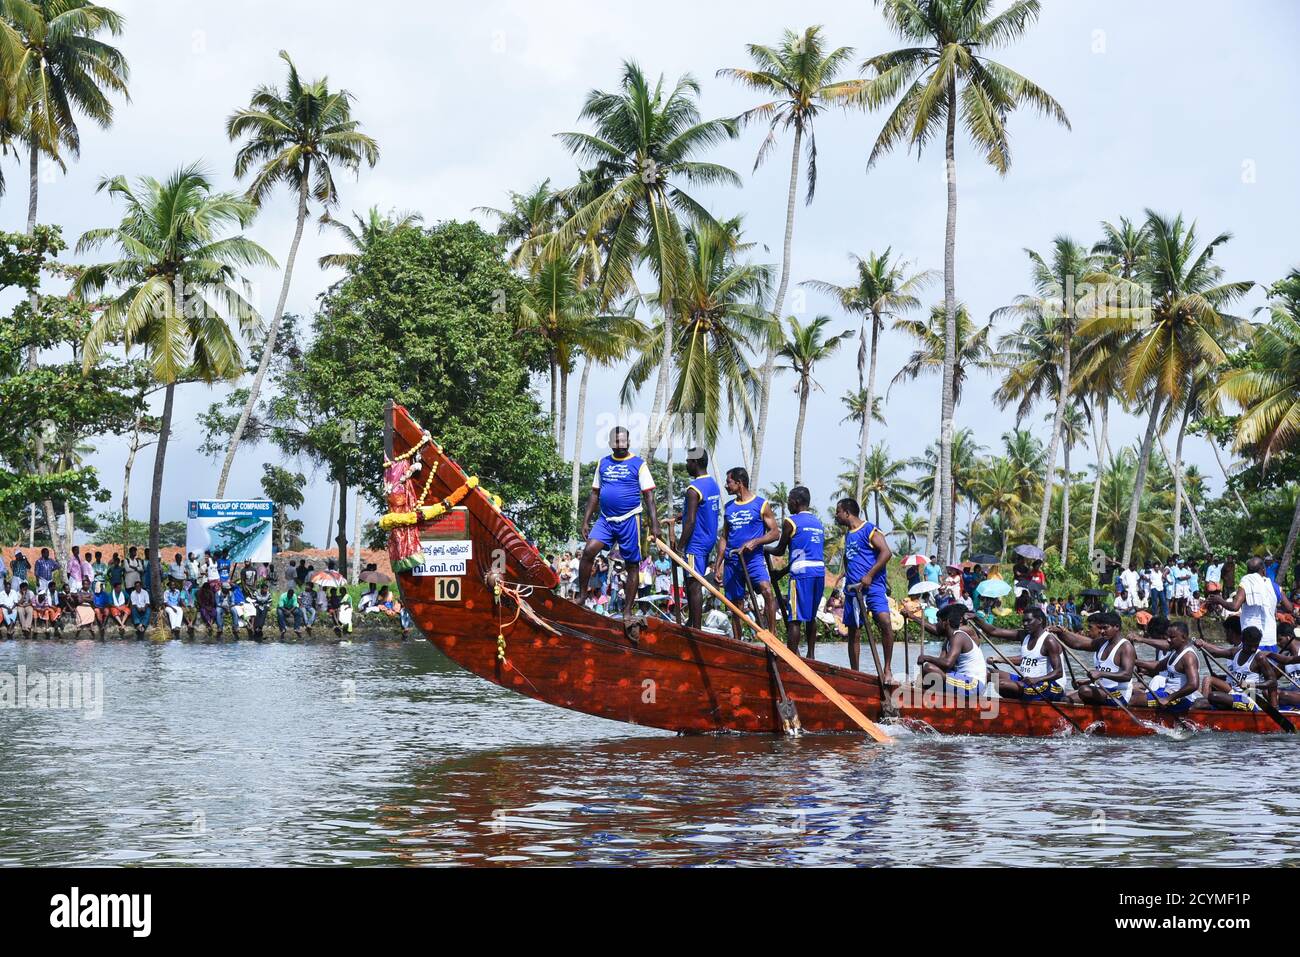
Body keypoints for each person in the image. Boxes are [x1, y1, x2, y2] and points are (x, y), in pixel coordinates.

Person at [576, 426, 661, 639]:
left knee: (632, 565)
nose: (620, 444)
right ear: (611, 443)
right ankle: (582, 595)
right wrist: (586, 520)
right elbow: (595, 494)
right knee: (588, 552)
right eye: (616, 441)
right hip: (605, 519)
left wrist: (655, 523)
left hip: (629, 518)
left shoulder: (638, 464)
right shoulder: (603, 463)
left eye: (623, 441)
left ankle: (627, 610)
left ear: (628, 442)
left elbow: (649, 497)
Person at [714, 467, 780, 643]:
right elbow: (724, 537)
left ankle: (772, 636)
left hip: (753, 560)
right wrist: (718, 564)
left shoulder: (761, 505)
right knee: (736, 605)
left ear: (739, 483)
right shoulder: (728, 507)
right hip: (733, 561)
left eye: (729, 482)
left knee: (767, 591)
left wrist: (755, 542)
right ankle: (738, 640)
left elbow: (775, 533)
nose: (726, 486)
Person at [834, 497, 894, 677]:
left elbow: (886, 552)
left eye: (838, 512)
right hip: (853, 589)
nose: (836, 516)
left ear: (847, 512)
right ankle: (855, 673)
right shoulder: (848, 534)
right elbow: (849, 558)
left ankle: (887, 668)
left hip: (873, 586)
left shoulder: (869, 529)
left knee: (885, 621)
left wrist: (869, 575)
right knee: (854, 631)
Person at [769, 485, 825, 659]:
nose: (788, 504)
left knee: (794, 618)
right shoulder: (817, 522)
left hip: (801, 577)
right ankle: (811, 656)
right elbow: (804, 556)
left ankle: (790, 658)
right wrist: (781, 573)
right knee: (811, 616)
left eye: (789, 501)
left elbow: (779, 550)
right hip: (819, 573)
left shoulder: (791, 521)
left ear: (796, 502)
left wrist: (762, 548)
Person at [971, 605, 1067, 701]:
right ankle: (975, 703)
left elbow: (1059, 672)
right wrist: (975, 618)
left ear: (1040, 620)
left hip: (1051, 686)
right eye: (1024, 621)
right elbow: (993, 631)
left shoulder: (1049, 640)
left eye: (1028, 621)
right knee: (985, 673)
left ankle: (1017, 704)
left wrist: (1036, 679)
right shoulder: (1024, 635)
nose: (1025, 624)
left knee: (1001, 684)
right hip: (1027, 681)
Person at [676, 448, 721, 630]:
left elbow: (691, 521)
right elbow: (702, 512)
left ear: (695, 463)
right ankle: (692, 622)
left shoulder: (693, 489)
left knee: (693, 584)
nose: (687, 464)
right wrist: (683, 515)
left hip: (695, 543)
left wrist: (680, 546)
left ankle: (696, 627)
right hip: (709, 540)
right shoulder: (712, 484)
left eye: (688, 461)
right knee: (691, 581)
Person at [1052, 611, 1135, 706]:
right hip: (1102, 690)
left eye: (1105, 628)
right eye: (1101, 628)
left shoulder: (1125, 647)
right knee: (1065, 699)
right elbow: (1077, 643)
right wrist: (1062, 633)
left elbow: (1127, 675)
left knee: (1084, 691)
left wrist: (1100, 673)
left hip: (1119, 693)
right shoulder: (1102, 642)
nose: (1102, 631)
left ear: (1116, 627)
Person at [913, 603, 989, 698]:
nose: (937, 625)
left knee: (929, 668)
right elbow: (942, 664)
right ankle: (922, 695)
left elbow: (947, 663)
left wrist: (926, 658)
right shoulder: (949, 640)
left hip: (974, 684)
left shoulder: (959, 636)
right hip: (962, 681)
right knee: (930, 670)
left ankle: (921, 697)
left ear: (946, 622)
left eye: (938, 621)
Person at [1133, 621, 1208, 711]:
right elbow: (1158, 665)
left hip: (1180, 699)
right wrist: (1134, 661)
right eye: (1168, 637)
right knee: (1133, 692)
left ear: (1183, 637)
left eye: (1172, 637)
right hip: (1168, 692)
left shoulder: (1188, 657)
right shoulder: (1175, 651)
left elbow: (1193, 685)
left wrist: (1168, 699)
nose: (1168, 640)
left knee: (1134, 700)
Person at [1200, 625, 1269, 711]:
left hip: (1250, 696)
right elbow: (1216, 652)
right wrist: (1203, 644)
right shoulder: (1235, 652)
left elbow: (1272, 682)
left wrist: (1248, 685)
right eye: (1250, 645)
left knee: (1213, 696)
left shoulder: (1260, 658)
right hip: (1234, 691)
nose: (1253, 649)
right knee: (1207, 679)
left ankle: (1209, 709)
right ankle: (1203, 708)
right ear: (1243, 641)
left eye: (1256, 645)